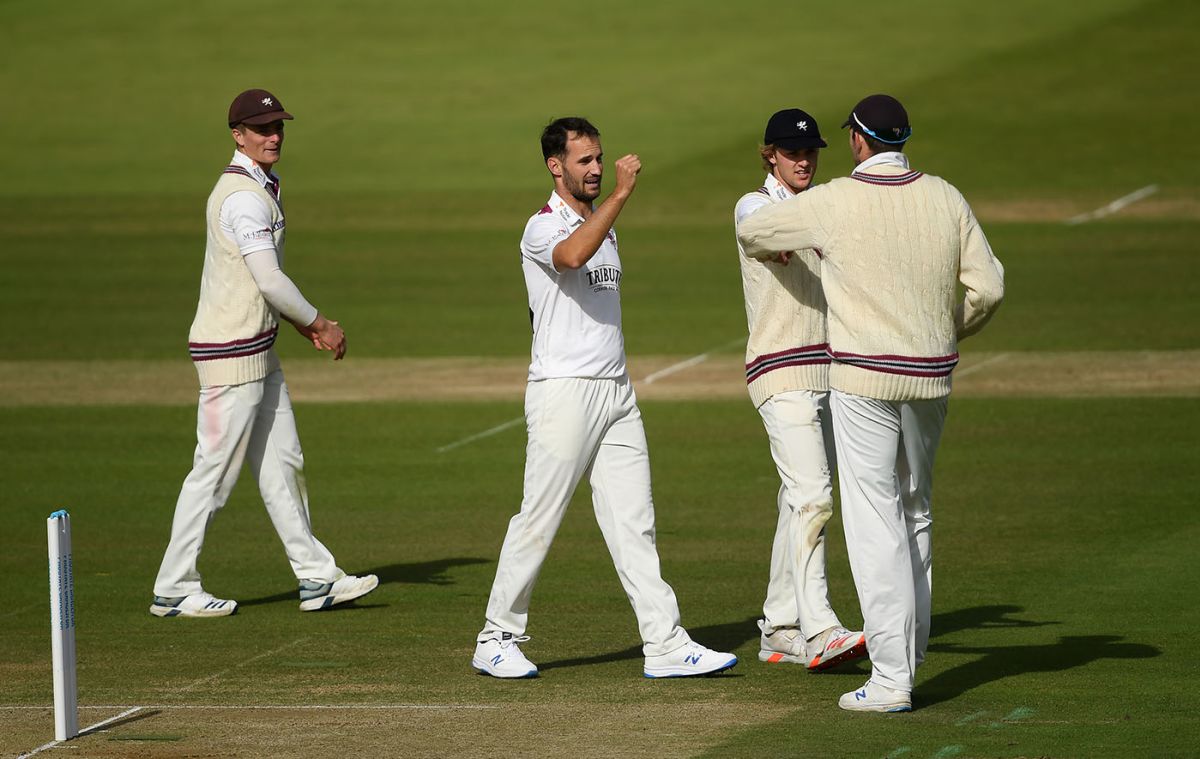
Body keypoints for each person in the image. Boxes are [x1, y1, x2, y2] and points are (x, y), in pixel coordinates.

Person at [737, 94, 1004, 711]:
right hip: (932, 375)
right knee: (916, 511)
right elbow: (988, 288)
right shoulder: (945, 195)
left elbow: (753, 230)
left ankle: (890, 680)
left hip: (861, 377)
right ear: (902, 139)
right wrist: (943, 330)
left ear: (857, 141)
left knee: (873, 518)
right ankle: (907, 659)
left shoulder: (832, 201)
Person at [472, 117, 737, 679]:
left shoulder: (602, 225)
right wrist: (619, 194)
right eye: (584, 161)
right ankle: (496, 636)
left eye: (599, 159)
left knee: (633, 521)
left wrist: (607, 207)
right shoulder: (542, 226)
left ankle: (663, 642)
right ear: (556, 166)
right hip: (563, 392)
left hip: (616, 391)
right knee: (539, 517)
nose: (595, 169)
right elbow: (569, 258)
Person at [150, 89, 378, 618]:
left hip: (258, 349)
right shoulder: (242, 197)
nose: (273, 136)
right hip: (230, 354)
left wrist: (294, 325)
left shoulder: (260, 186)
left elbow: (264, 286)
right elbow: (269, 278)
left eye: (278, 126)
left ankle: (317, 577)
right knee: (215, 474)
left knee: (283, 464)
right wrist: (318, 322)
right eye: (261, 128)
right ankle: (174, 586)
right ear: (238, 135)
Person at [734, 109, 867, 672]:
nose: (803, 159)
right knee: (814, 497)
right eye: (791, 151)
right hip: (780, 370)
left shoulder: (820, 203)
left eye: (810, 151)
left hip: (827, 373)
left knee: (797, 502)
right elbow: (778, 241)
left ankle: (780, 627)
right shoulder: (754, 206)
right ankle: (820, 630)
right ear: (770, 154)